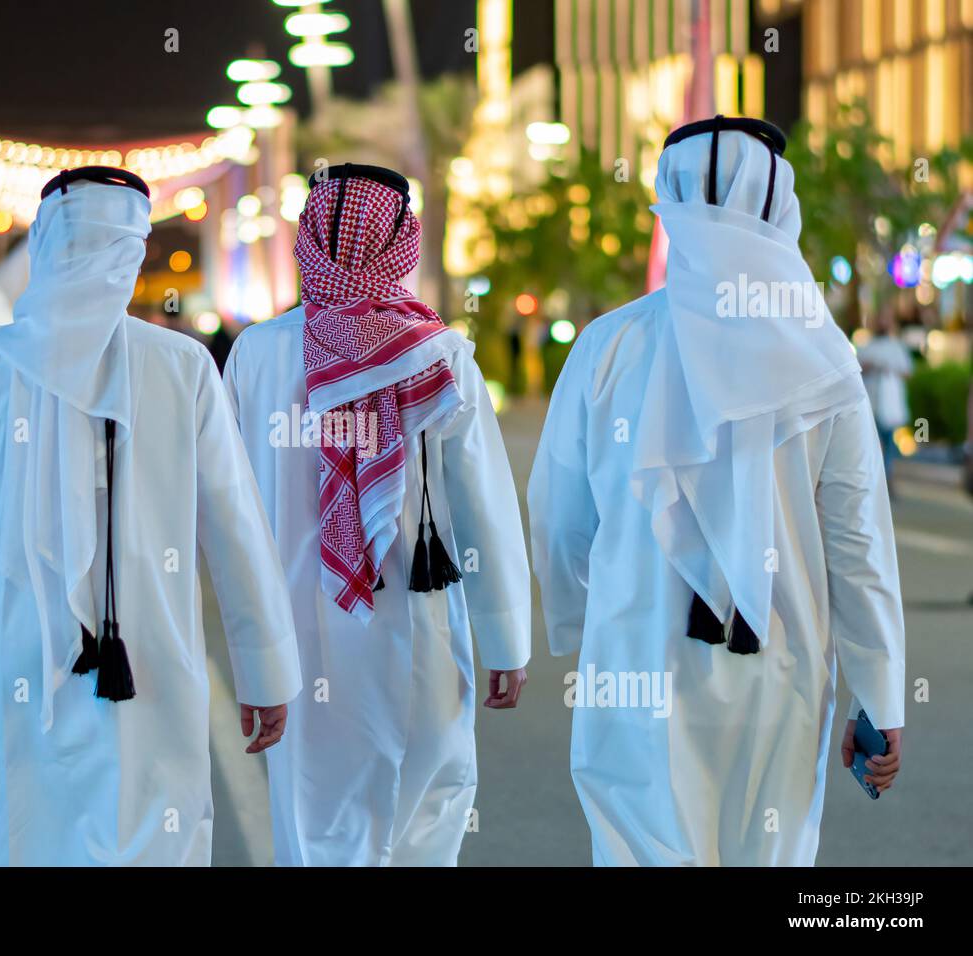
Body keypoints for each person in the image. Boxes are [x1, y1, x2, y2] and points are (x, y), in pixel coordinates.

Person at [0, 168, 301, 867]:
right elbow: (237, 528)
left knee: (27, 841)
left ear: (48, 244)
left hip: (13, 657)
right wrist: (264, 673)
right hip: (152, 660)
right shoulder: (181, 366)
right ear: (132, 251)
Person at [529, 117, 905, 866]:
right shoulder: (827, 364)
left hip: (634, 659)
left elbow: (558, 518)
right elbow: (856, 542)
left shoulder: (608, 345)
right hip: (781, 670)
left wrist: (584, 616)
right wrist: (880, 693)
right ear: (779, 207)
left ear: (668, 199)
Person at [224, 164, 531, 867]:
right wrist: (506, 638)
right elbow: (483, 506)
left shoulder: (259, 353)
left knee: (314, 819)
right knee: (424, 815)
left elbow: (235, 517)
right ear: (403, 242)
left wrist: (251, 656)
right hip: (418, 626)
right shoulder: (439, 353)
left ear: (309, 239)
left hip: (295, 634)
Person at [856, 303, 914, 494]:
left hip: (890, 405)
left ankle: (887, 478)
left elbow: (908, 371)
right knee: (871, 444)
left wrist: (891, 369)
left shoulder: (897, 347)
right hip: (871, 404)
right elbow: (857, 369)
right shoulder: (866, 346)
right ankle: (873, 479)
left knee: (889, 444)